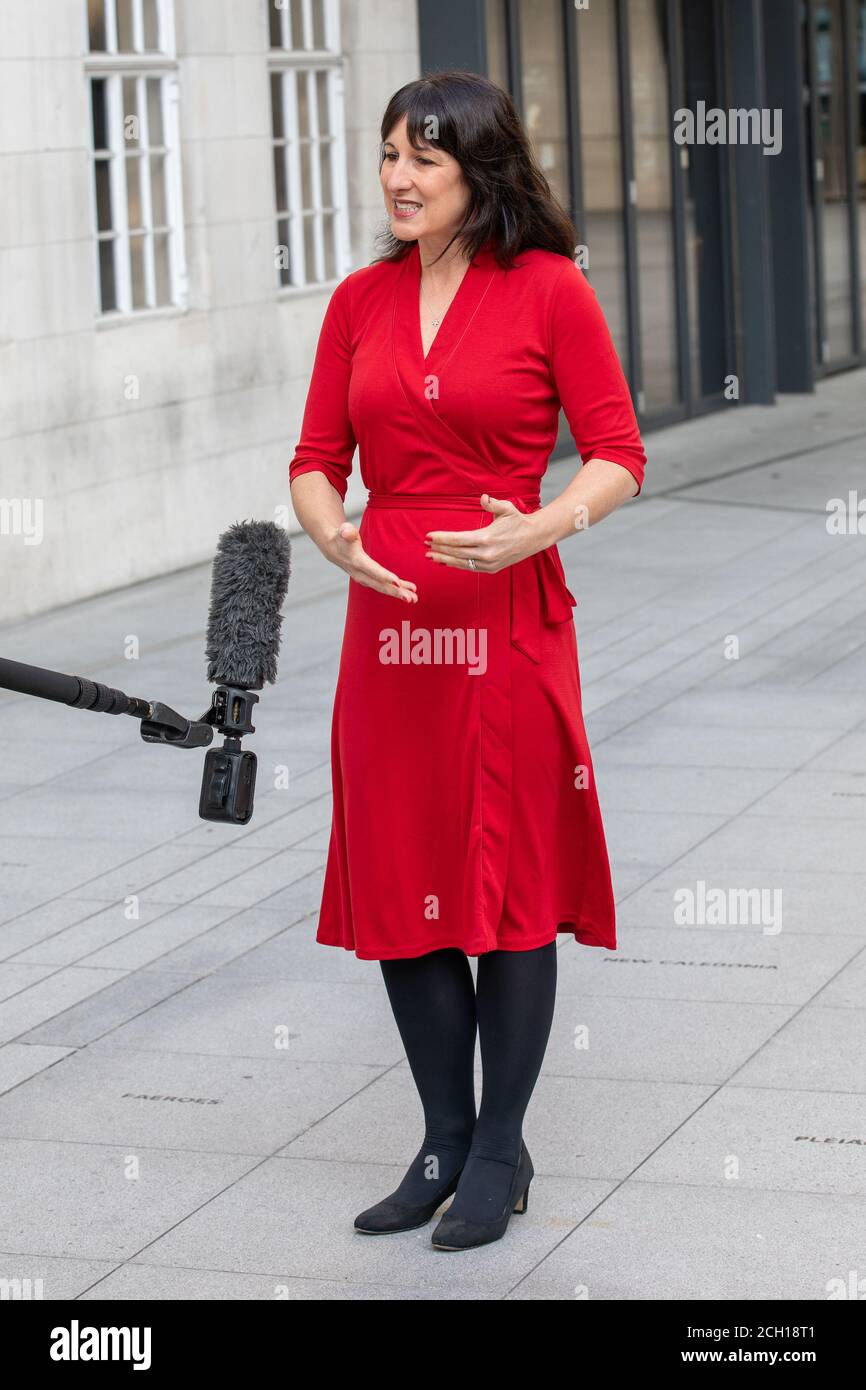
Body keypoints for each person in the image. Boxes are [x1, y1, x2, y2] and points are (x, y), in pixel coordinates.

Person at [289, 70, 646, 1252]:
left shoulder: (547, 290)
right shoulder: (356, 301)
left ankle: (498, 1148)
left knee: (505, 891)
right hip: (387, 636)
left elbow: (616, 452)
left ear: (476, 173)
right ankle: (443, 1134)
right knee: (406, 885)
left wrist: (542, 524)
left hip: (507, 626)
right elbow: (312, 457)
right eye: (387, 154)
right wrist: (330, 530)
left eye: (422, 159)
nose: (396, 177)